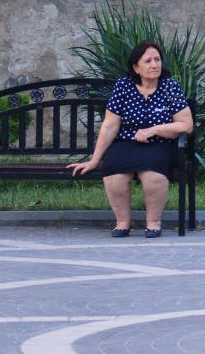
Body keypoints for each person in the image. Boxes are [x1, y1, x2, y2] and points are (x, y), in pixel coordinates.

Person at [67, 40, 193, 238]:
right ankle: (122, 222)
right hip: (126, 142)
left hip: (160, 143)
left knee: (152, 173)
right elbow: (110, 126)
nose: (154, 64)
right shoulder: (124, 85)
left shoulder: (170, 86)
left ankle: (153, 222)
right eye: (148, 61)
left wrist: (154, 130)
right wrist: (94, 160)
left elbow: (186, 125)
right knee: (114, 171)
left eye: (157, 60)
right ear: (136, 67)